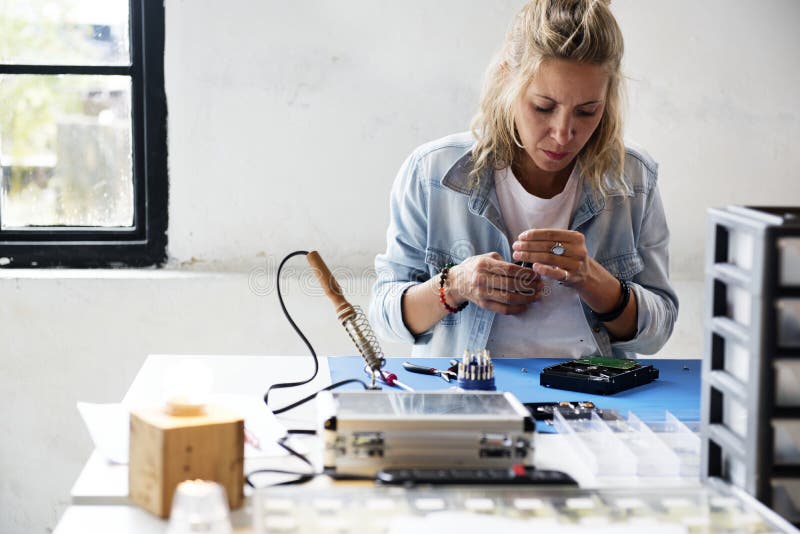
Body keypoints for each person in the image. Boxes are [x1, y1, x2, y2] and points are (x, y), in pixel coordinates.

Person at [369, 0, 678, 359]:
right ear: (506, 79)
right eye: (543, 107)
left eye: (587, 111)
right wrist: (456, 284)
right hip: (471, 399)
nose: (563, 134)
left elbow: (659, 330)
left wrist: (594, 280)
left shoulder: (634, 179)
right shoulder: (432, 173)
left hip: (594, 401)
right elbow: (384, 315)